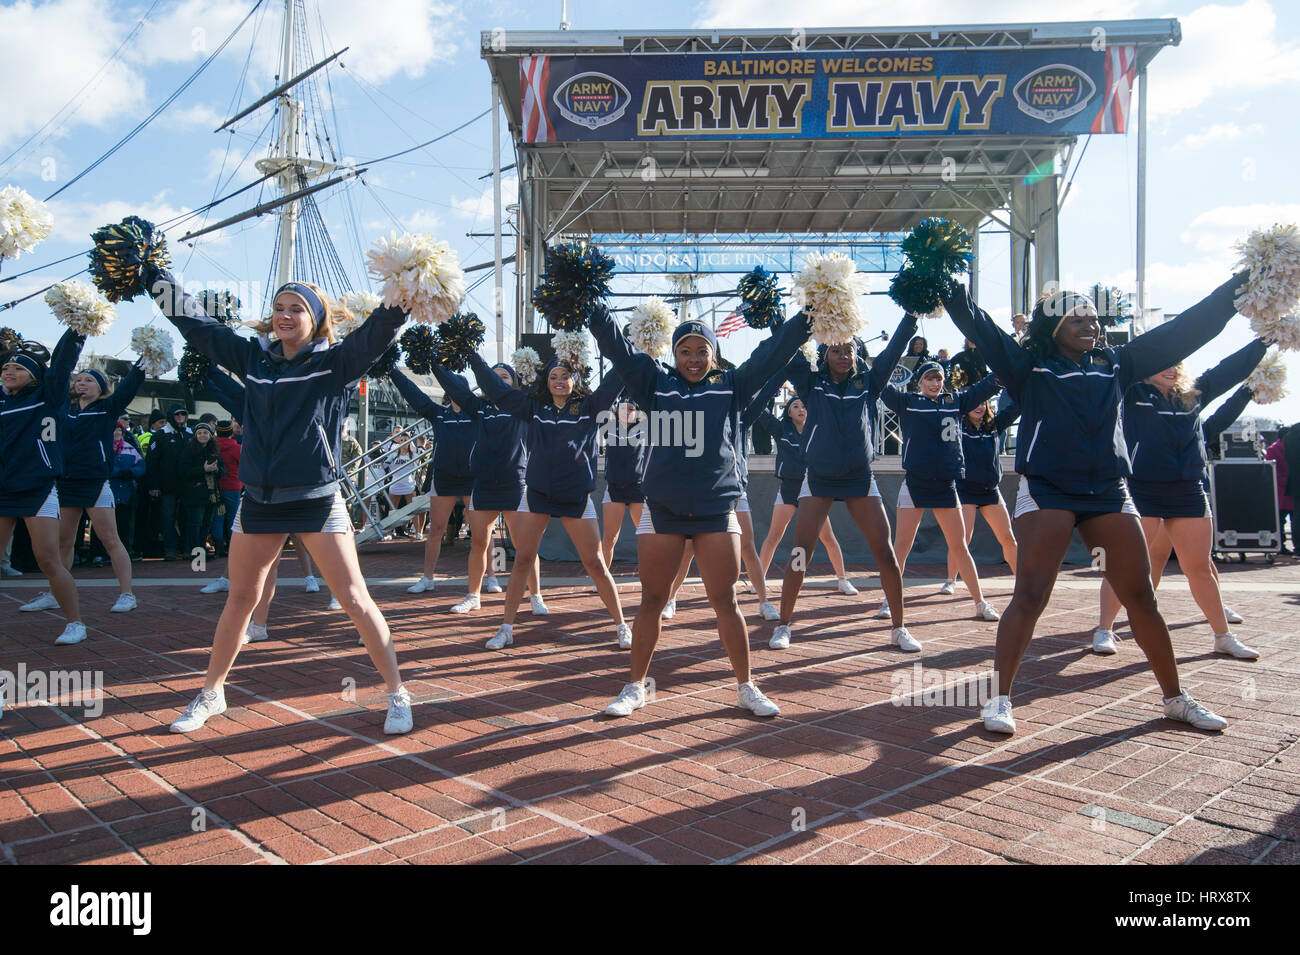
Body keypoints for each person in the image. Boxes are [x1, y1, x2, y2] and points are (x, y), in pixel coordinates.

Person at [943, 277, 1246, 735]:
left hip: (1106, 489)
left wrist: (1235, 291)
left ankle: (1175, 699)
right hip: (1048, 488)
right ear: (1053, 327)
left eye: (1092, 318)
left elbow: (1186, 330)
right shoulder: (1028, 366)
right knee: (1031, 594)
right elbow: (983, 327)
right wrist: (949, 288)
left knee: (1141, 596)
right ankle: (1000, 698)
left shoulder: (1117, 363)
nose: (1090, 324)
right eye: (1077, 319)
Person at [152, 269, 414, 735]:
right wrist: (155, 277)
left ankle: (397, 693)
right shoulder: (252, 359)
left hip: (315, 499)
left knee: (354, 599)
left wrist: (409, 289)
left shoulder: (336, 363)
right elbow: (196, 325)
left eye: (297, 308)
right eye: (279, 308)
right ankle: (212, 693)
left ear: (316, 319)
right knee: (240, 599)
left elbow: (378, 331)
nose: (286, 315)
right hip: (258, 501)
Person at [591, 306, 814, 718]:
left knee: (725, 599)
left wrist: (806, 317)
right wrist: (593, 307)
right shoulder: (654, 384)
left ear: (713, 353)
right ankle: (635, 686)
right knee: (652, 599)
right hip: (662, 510)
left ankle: (746, 686)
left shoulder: (733, 385)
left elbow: (771, 352)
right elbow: (618, 350)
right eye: (685, 351)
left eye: (701, 350)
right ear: (674, 355)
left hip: (715, 509)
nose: (693, 359)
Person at [1093, 341, 1269, 659]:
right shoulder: (1131, 391)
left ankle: (1223, 636)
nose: (1172, 367)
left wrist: (1262, 344)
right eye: (1164, 361)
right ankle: (1104, 629)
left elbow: (1227, 372)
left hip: (1187, 490)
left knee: (1199, 567)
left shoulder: (1192, 395)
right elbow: (1106, 370)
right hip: (1142, 489)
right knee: (1126, 565)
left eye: (1176, 363)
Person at [772, 315, 917, 653]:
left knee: (886, 553)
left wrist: (910, 316)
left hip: (859, 478)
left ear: (856, 354)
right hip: (819, 478)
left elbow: (894, 350)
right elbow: (789, 349)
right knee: (799, 553)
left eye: (849, 350)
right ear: (824, 355)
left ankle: (899, 628)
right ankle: (783, 624)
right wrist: (779, 318)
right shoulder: (811, 384)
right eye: (836, 350)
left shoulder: (870, 381)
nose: (843, 355)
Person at [468, 352, 629, 650]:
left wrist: (633, 346)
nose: (559, 381)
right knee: (523, 560)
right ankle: (506, 628)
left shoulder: (590, 407)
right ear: (546, 380)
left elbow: (616, 378)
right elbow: (497, 389)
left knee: (595, 563)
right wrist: (472, 357)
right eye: (553, 376)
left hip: (576, 496)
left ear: (575, 379)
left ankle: (621, 626)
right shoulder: (534, 408)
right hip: (538, 495)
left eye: (565, 376)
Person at [877, 359, 1002, 626]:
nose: (935, 383)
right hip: (915, 483)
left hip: (946, 484)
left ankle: (980, 602)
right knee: (902, 546)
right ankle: (888, 600)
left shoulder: (956, 401)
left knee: (960, 547)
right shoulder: (908, 402)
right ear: (920, 382)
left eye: (938, 379)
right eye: (929, 379)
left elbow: (985, 388)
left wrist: (1002, 367)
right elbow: (879, 384)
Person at [422, 357, 546, 616]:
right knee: (479, 542)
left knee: (525, 546)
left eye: (505, 376)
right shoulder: (477, 408)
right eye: (495, 376)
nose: (499, 380)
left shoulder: (524, 407)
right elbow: (454, 387)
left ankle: (535, 596)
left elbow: (545, 385)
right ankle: (473, 595)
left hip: (515, 483)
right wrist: (433, 361)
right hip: (483, 485)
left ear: (514, 382)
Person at [2, 331, 86, 645]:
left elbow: (63, 363)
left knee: (48, 560)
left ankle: (75, 623)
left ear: (36, 377)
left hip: (37, 489)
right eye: (6, 368)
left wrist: (79, 326)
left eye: (19, 369)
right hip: (3, 490)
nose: (10, 372)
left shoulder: (47, 398)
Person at [50, 363, 144, 617]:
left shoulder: (107, 408)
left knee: (110, 539)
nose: (82, 383)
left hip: (94, 482)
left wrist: (140, 366)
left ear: (101, 388)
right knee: (63, 541)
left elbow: (127, 389)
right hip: (67, 481)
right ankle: (56, 591)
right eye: (79, 379)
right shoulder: (66, 410)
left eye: (89, 380)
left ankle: (127, 594)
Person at [753, 396, 857, 594]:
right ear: (788, 412)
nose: (801, 409)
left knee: (828, 537)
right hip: (788, 489)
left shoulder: (819, 431)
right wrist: (761, 391)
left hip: (812, 490)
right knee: (773, 536)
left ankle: (842, 580)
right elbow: (762, 413)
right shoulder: (781, 429)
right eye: (795, 406)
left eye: (804, 406)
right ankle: (759, 581)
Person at [389, 370, 475, 592]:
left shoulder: (478, 414)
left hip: (473, 478)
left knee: (482, 530)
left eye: (460, 386)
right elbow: (414, 394)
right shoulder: (438, 413)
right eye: (452, 386)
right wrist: (392, 371)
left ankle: (492, 575)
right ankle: (427, 578)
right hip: (444, 477)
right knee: (436, 528)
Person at [942, 394, 1020, 591]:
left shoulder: (994, 426)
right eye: (974, 403)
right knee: (962, 540)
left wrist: (1024, 385)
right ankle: (950, 581)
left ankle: (1021, 581)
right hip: (966, 491)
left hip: (991, 491)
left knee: (1008, 538)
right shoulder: (958, 426)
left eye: (982, 403)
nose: (979, 407)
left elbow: (1015, 408)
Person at [600, 397, 646, 568]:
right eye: (623, 409)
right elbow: (604, 401)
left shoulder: (645, 428)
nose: (627, 412)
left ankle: (649, 577)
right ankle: (603, 579)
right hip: (614, 489)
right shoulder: (609, 427)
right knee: (609, 539)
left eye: (631, 409)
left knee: (646, 537)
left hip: (638, 489)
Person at [144, 404, 191, 560]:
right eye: (177, 414)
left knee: (186, 517)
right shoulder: (160, 435)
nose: (180, 417)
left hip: (187, 486)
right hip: (166, 486)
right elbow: (151, 462)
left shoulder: (190, 434)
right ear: (171, 415)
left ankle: (187, 548)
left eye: (183, 414)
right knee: (168, 517)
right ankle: (170, 548)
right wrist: (154, 485)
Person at [178, 422, 225, 559]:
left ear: (210, 435)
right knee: (195, 523)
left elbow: (223, 470)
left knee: (206, 523)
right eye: (199, 433)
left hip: (211, 494)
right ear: (195, 435)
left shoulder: (214, 451)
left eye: (205, 433)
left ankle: (201, 551)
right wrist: (203, 470)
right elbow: (183, 472)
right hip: (194, 493)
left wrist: (216, 470)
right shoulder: (188, 451)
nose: (202, 435)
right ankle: (194, 552)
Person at [106, 424, 146, 561]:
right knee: (105, 524)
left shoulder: (129, 447)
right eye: (114, 429)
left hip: (126, 493)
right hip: (108, 491)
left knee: (125, 523)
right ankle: (100, 553)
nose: (117, 432)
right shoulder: (104, 446)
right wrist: (118, 473)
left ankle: (124, 551)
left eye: (119, 430)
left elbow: (141, 465)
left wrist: (131, 473)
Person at [1267, 425, 1294, 556]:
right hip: (1280, 491)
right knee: (1280, 521)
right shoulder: (1273, 449)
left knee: (1288, 520)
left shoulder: (1277, 448)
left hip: (1288, 490)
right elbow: (1272, 472)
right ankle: (1280, 546)